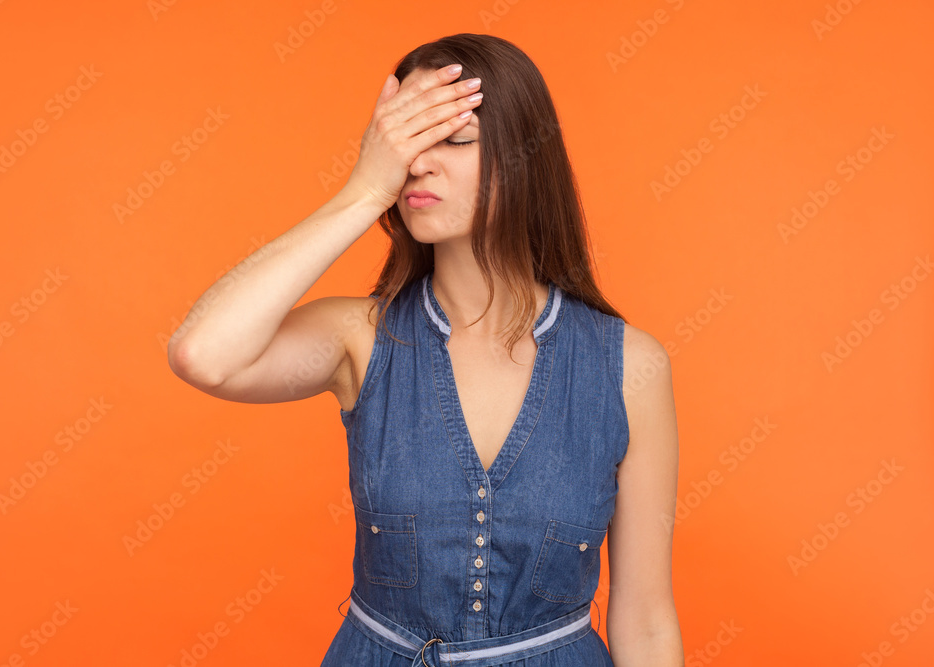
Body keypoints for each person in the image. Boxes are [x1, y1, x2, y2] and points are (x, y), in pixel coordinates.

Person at [167, 33, 683, 667]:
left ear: (524, 158)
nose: (417, 164)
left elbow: (647, 619)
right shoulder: (360, 338)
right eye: (404, 142)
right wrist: (362, 191)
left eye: (453, 139)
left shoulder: (630, 366)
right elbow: (204, 354)